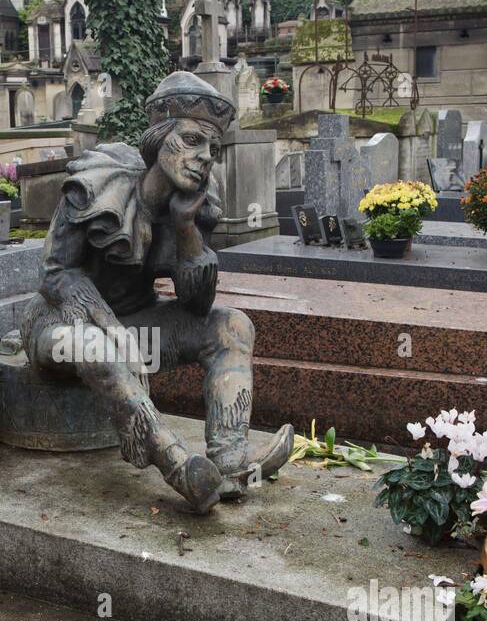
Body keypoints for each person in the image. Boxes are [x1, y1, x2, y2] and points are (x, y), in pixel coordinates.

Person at [20, 72, 293, 513]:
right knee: (95, 347)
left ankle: (229, 459)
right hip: (60, 323)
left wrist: (186, 231)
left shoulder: (193, 204)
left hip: (135, 326)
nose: (204, 157)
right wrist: (113, 332)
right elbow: (54, 275)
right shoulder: (97, 185)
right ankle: (176, 464)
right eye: (190, 140)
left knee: (233, 326)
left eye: (212, 148)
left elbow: (197, 306)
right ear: (159, 139)